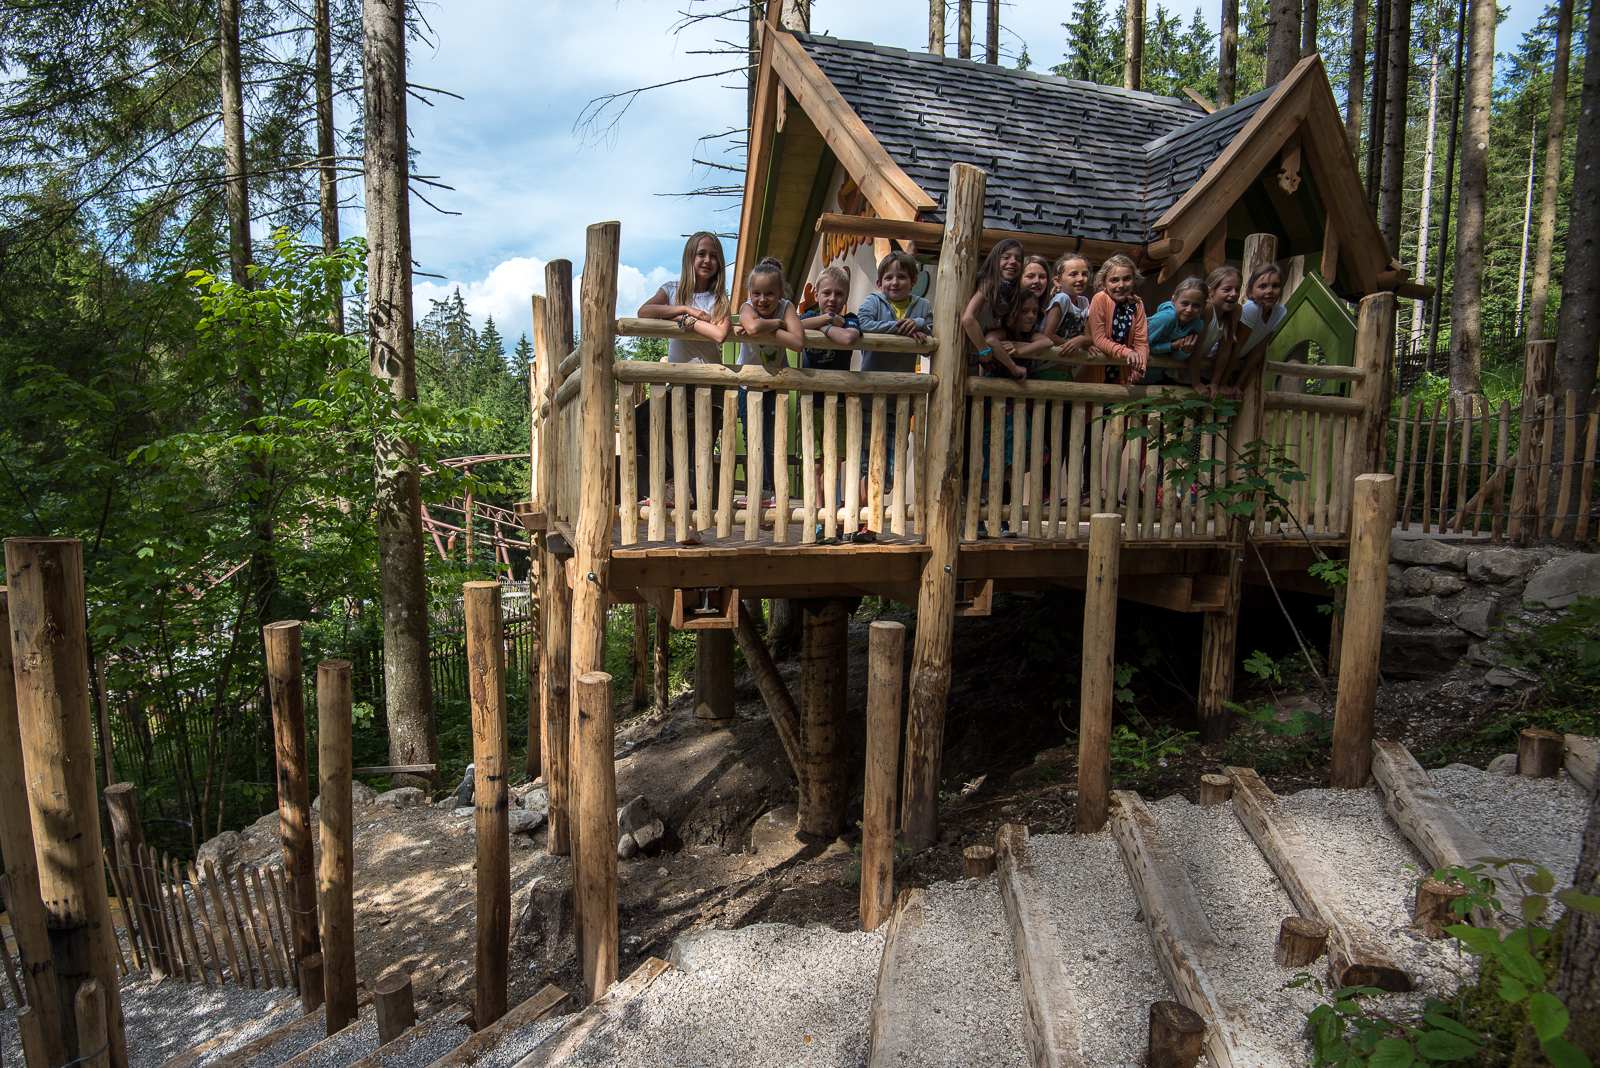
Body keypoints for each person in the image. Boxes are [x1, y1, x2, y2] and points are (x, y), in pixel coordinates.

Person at [634, 232, 733, 507]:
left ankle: (690, 505)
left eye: (714, 256)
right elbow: (645, 311)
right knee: (639, 420)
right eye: (701, 253)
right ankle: (673, 482)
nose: (707, 260)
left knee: (698, 449)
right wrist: (684, 311)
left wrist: (690, 321)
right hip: (679, 382)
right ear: (690, 257)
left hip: (707, 382)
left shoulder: (718, 299)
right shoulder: (672, 289)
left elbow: (719, 335)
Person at [856, 250, 932, 513]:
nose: (895, 282)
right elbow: (864, 324)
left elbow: (930, 331)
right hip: (872, 392)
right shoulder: (873, 301)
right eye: (888, 278)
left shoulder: (922, 306)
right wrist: (905, 328)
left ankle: (860, 510)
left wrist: (919, 323)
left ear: (914, 280)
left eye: (902, 277)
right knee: (866, 460)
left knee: (892, 463)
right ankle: (863, 520)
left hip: (902, 396)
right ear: (879, 283)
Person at [980, 290, 1054, 536]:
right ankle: (986, 517)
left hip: (1017, 406)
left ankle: (993, 505)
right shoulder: (1005, 332)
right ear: (1012, 314)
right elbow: (990, 341)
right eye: (1024, 311)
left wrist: (1020, 352)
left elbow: (1048, 342)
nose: (1031, 316)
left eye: (1034, 311)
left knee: (1031, 453)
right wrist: (1014, 367)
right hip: (997, 405)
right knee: (994, 457)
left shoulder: (1026, 337)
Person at [735, 256, 804, 508]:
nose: (762, 300)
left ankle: (770, 491)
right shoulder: (747, 307)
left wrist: (763, 326)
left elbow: (798, 343)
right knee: (751, 437)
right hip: (749, 386)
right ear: (750, 293)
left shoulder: (787, 305)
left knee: (772, 439)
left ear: (780, 293)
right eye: (757, 293)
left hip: (775, 385)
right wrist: (777, 324)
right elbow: (752, 329)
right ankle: (759, 489)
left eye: (770, 294)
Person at [799, 266, 861, 496]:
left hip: (840, 404)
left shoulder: (851, 319)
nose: (832, 299)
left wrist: (823, 326)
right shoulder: (809, 317)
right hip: (811, 403)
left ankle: (830, 516)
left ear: (846, 296)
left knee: (833, 463)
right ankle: (817, 517)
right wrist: (828, 320)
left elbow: (848, 338)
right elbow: (795, 326)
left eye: (839, 294)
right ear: (816, 295)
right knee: (815, 464)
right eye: (826, 293)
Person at [1206, 263, 1286, 399]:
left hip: (1226, 369)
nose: (1270, 291)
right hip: (1214, 361)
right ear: (1249, 292)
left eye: (1275, 286)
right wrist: (1223, 383)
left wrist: (1239, 383)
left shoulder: (1280, 312)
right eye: (1263, 286)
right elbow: (1234, 349)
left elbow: (1258, 351)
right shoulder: (1251, 310)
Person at [960, 238, 1025, 378]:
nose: (1013, 261)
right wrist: (984, 351)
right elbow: (968, 319)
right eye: (1006, 257)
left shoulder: (1008, 295)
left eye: (1018, 259)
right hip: (959, 357)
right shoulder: (988, 284)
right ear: (995, 260)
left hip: (972, 360)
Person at [1083, 254, 1149, 384]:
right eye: (1114, 280)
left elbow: (1141, 341)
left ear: (1134, 280)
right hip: (1099, 370)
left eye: (1127, 279)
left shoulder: (1137, 304)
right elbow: (1099, 339)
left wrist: (1140, 367)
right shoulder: (1100, 299)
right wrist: (1127, 352)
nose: (1121, 285)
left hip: (1123, 373)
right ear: (1103, 284)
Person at [1143, 276, 1209, 385]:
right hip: (1134, 372)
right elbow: (1140, 345)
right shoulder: (1165, 319)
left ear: (1204, 305)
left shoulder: (1197, 326)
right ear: (1173, 300)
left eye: (1196, 305)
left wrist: (1185, 351)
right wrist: (1172, 345)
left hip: (1159, 375)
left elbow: (1177, 357)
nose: (1189, 310)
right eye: (1184, 303)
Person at [1187, 266, 1242, 393]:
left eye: (1237, 290)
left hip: (1200, 371)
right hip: (1183, 368)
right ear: (1211, 291)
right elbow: (1197, 348)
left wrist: (1215, 383)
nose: (1234, 294)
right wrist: (1196, 384)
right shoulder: (1207, 309)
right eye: (1227, 289)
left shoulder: (1236, 311)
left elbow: (1225, 348)